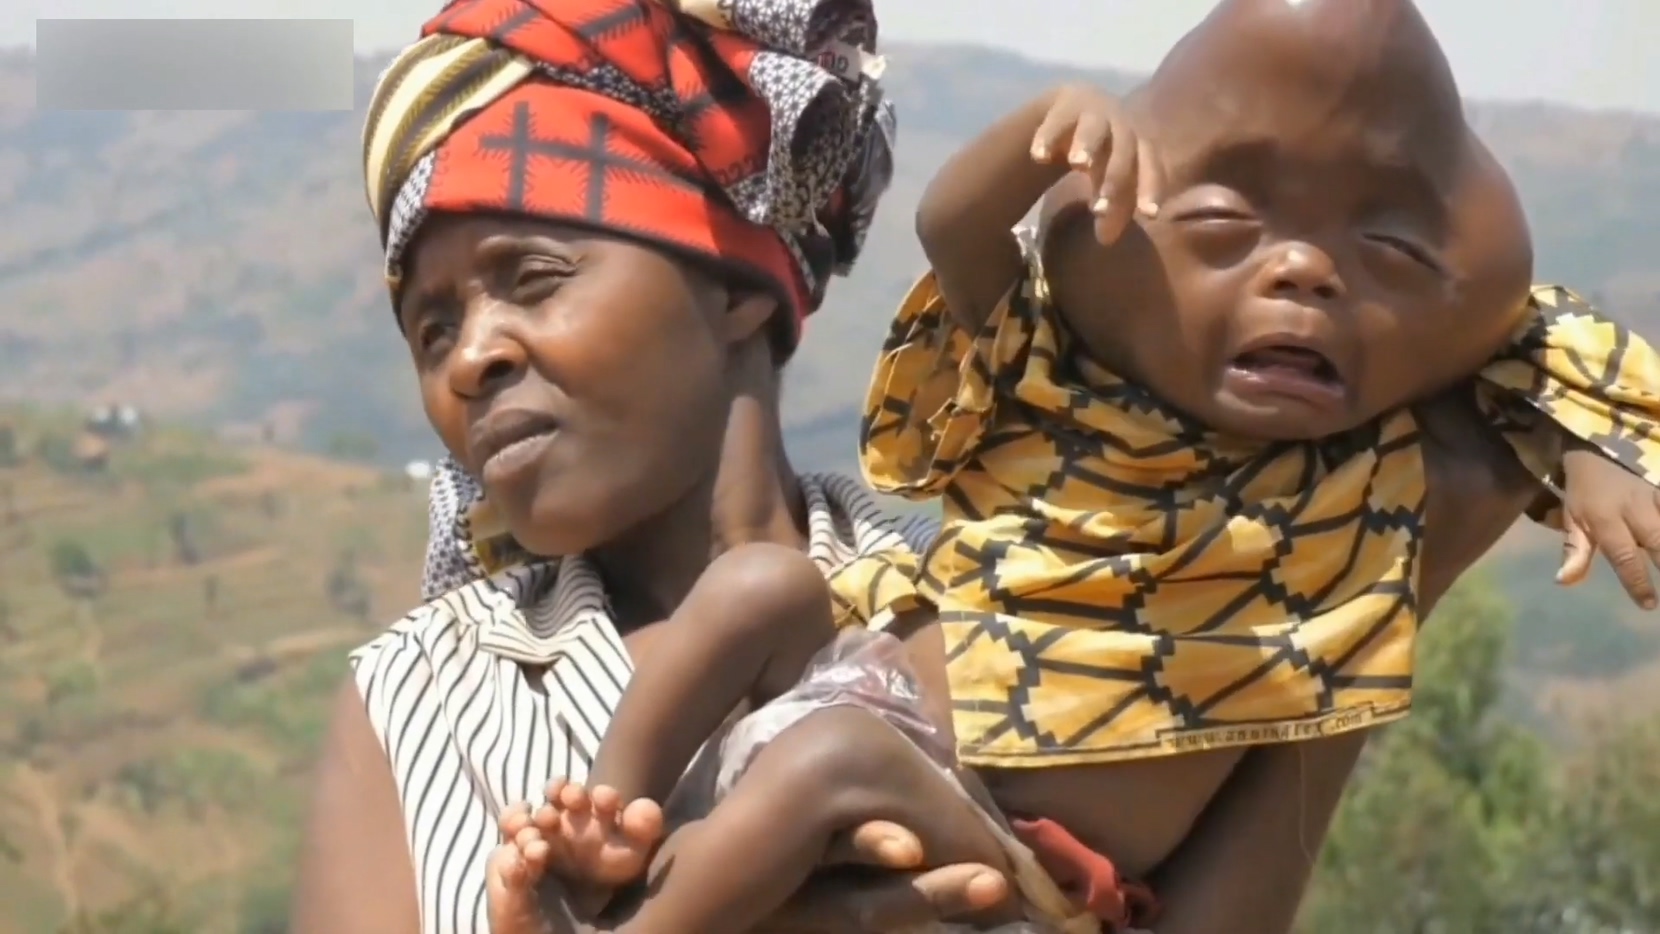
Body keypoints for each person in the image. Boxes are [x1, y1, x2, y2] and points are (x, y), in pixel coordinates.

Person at [834, 0, 1660, 928]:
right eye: (1227, 218)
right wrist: (1041, 131)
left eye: (1387, 245)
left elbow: (1533, 335)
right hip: (876, 757)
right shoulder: (1049, 366)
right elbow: (956, 230)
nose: (1304, 268)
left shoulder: (1357, 488)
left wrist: (1594, 445)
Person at [289, 0, 1066, 931]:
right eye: (432, 330)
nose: (470, 359)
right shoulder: (418, 704)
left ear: (737, 287)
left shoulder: (979, 604)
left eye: (533, 277)